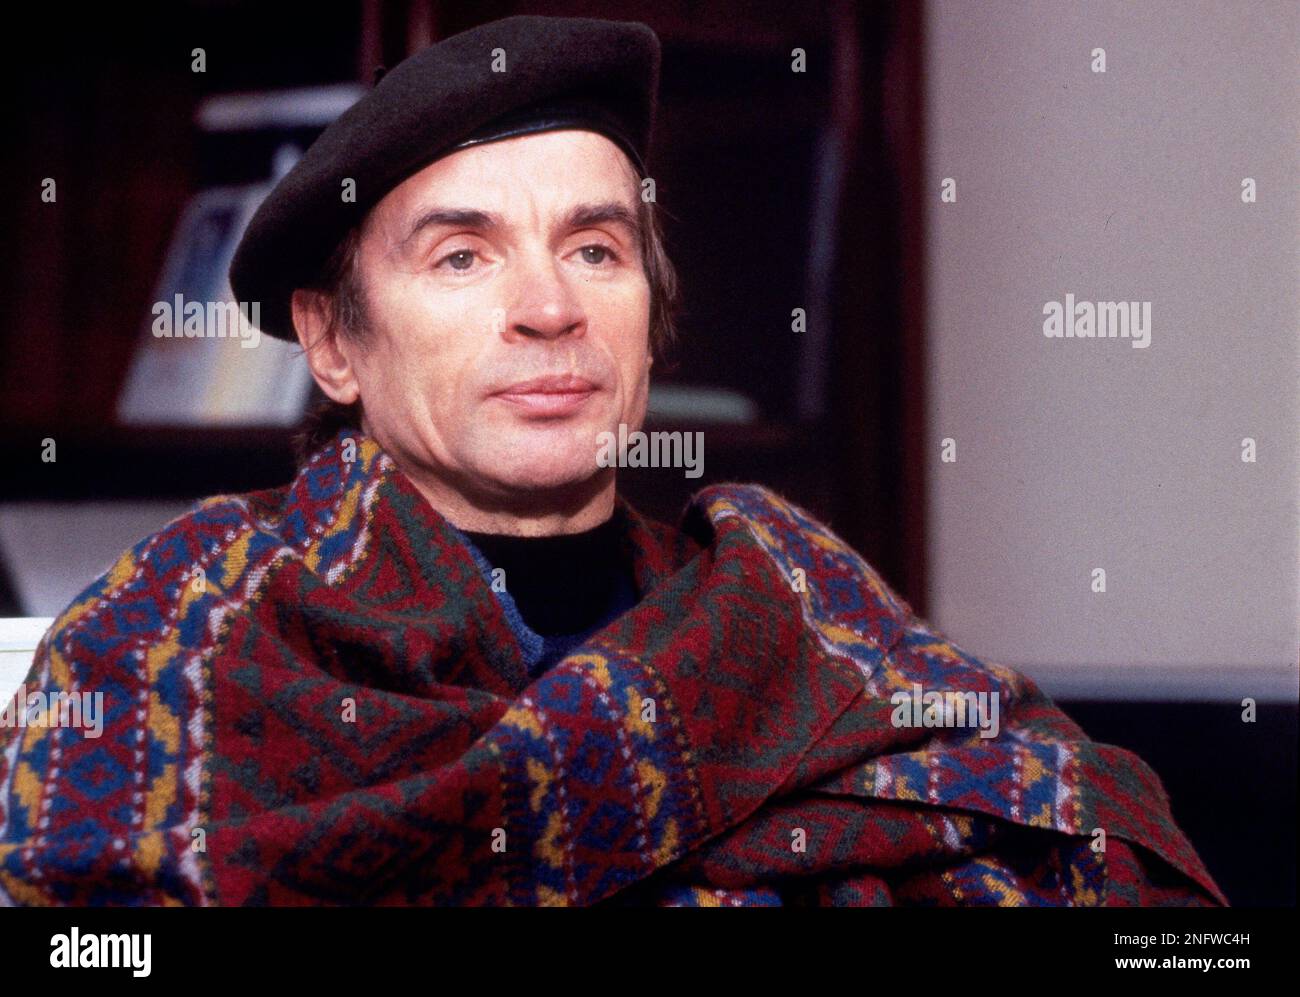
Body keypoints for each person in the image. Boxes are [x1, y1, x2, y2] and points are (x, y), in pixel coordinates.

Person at [0, 15, 1224, 906]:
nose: (549, 309)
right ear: (332, 340)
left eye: (595, 249)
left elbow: (1096, 843)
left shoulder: (788, 602)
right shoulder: (181, 625)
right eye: (461, 257)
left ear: (651, 306)